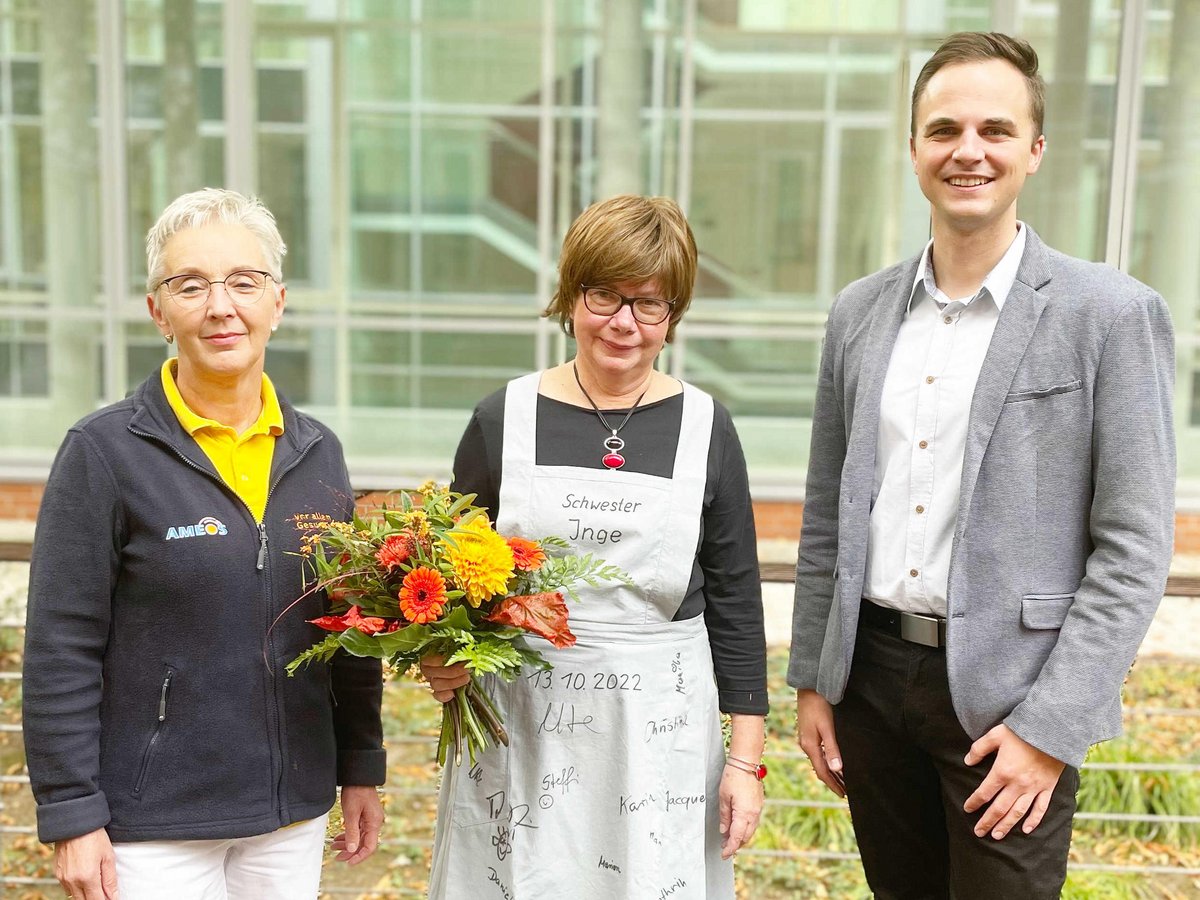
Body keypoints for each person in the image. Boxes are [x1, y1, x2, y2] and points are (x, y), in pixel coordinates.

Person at [789, 31, 1176, 898]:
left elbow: (1135, 547)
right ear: (914, 147)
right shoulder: (857, 314)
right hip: (872, 685)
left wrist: (1050, 727)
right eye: (945, 129)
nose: (969, 151)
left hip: (1012, 704)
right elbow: (827, 514)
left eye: (996, 131)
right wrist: (817, 680)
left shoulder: (1110, 315)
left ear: (1035, 150)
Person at [22, 188, 387, 900]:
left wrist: (361, 765)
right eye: (191, 285)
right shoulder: (102, 453)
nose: (221, 306)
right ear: (158, 312)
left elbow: (349, 623)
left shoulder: (318, 452)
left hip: (289, 815)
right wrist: (71, 813)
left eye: (243, 282)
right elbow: (60, 645)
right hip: (150, 824)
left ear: (277, 303)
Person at [421, 194, 768, 899]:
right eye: (604, 295)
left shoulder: (706, 427)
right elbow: (450, 580)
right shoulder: (501, 419)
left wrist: (745, 763)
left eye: (649, 304)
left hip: (659, 727)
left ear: (674, 314)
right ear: (570, 295)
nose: (624, 323)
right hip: (522, 721)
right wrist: (438, 653)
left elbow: (736, 598)